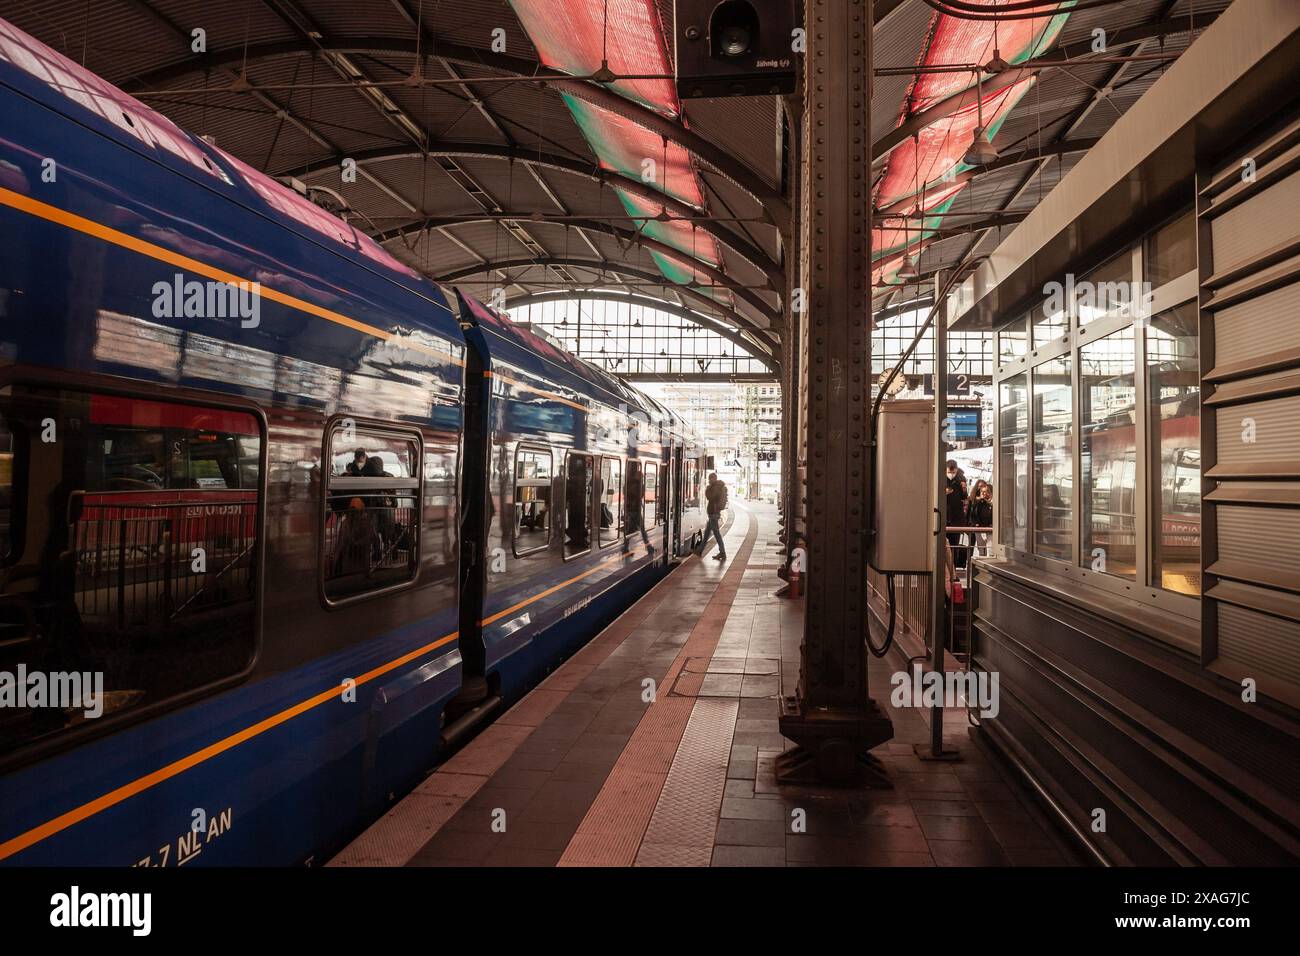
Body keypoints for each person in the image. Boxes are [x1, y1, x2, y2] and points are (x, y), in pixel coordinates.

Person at [623, 461, 652, 555]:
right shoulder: (636, 485)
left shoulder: (630, 483)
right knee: (640, 529)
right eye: (641, 477)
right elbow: (640, 495)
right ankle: (648, 547)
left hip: (632, 509)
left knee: (632, 530)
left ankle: (626, 547)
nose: (642, 478)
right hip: (634, 510)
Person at [945, 459, 969, 569]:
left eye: (953, 472)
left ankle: (953, 569)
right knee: (943, 546)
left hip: (956, 519)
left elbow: (964, 497)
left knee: (954, 546)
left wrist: (964, 489)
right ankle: (944, 570)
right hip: (944, 519)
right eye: (949, 472)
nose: (951, 475)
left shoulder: (960, 480)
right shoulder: (941, 479)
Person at [704, 471, 728, 562]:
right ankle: (699, 551)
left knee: (717, 534)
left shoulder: (715, 487)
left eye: (710, 479)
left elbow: (710, 496)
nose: (709, 481)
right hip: (713, 513)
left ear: (713, 479)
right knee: (706, 534)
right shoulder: (718, 486)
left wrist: (708, 488)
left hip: (714, 513)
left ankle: (722, 552)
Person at [968, 480, 994, 557]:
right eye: (982, 491)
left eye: (986, 491)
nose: (983, 493)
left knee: (991, 550)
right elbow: (974, 513)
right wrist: (976, 524)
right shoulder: (978, 502)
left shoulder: (994, 502)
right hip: (979, 528)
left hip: (990, 528)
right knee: (981, 550)